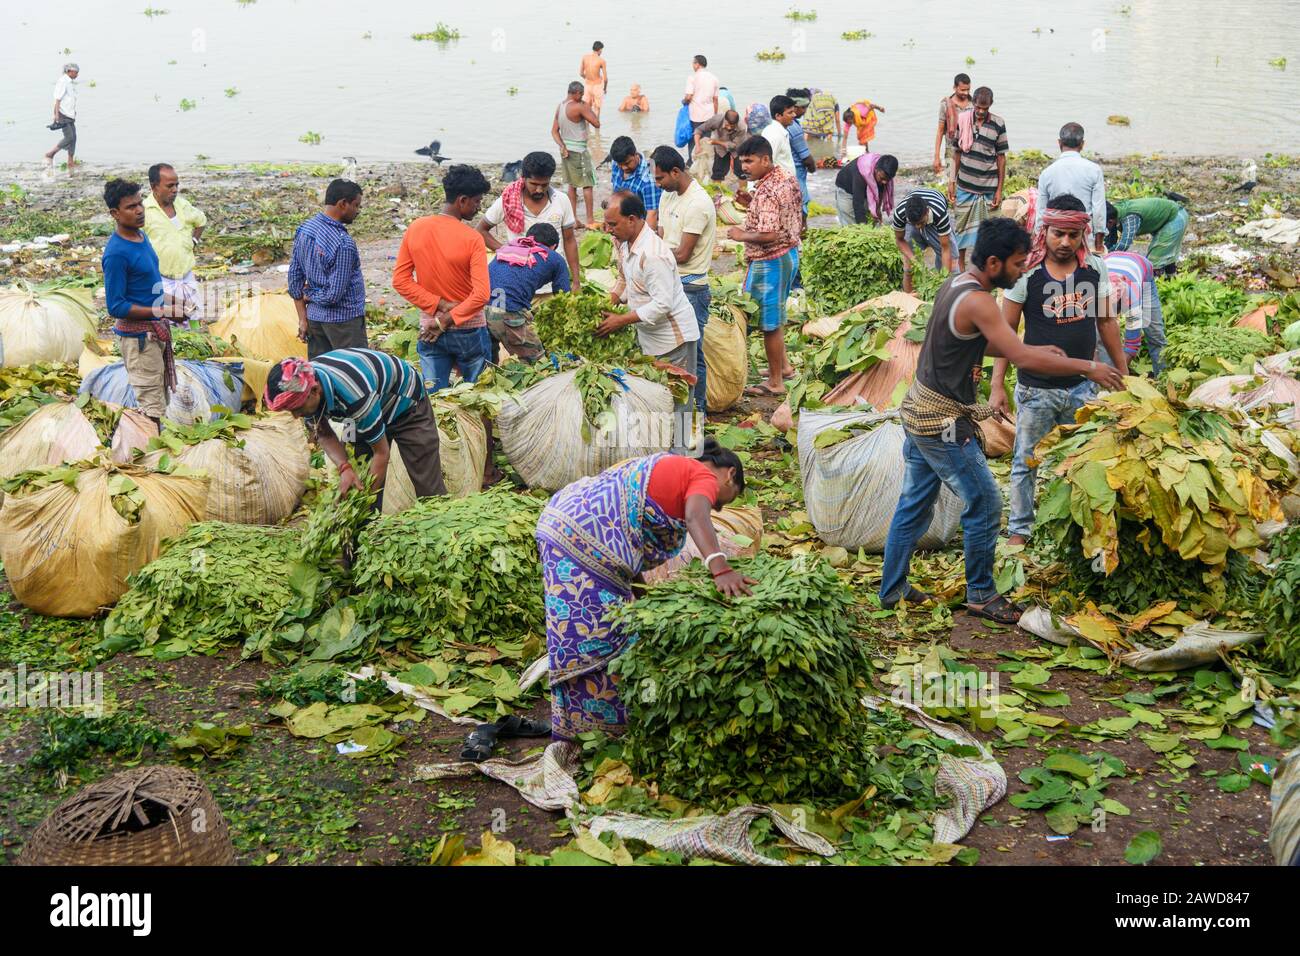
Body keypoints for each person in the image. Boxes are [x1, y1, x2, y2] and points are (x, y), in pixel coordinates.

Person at [880, 217, 1124, 624]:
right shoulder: (979, 300)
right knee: (986, 502)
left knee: (915, 502)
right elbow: (1021, 357)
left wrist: (1030, 347)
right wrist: (1089, 367)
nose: (1021, 270)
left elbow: (981, 341)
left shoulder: (957, 284)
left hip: (919, 410)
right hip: (943, 422)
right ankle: (981, 594)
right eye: (1015, 263)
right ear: (993, 263)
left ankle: (893, 588)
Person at [537, 439, 753, 739]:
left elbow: (629, 543)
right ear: (729, 474)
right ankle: (602, 729)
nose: (719, 506)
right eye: (727, 499)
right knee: (603, 634)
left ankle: (583, 728)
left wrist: (643, 602)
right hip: (582, 535)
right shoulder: (701, 474)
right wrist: (722, 569)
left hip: (562, 525)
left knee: (587, 632)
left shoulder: (668, 470)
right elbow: (696, 516)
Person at [990, 195, 1128, 547]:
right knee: (1026, 461)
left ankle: (1074, 524)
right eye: (1057, 234)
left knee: (1083, 459)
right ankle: (1020, 529)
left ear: (1083, 233)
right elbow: (1005, 333)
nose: (1065, 243)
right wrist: (997, 386)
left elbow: (1107, 320)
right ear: (1044, 231)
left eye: (1072, 235)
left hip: (1083, 387)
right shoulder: (1028, 272)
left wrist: (1124, 376)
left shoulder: (1094, 268)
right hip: (1037, 389)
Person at [264, 349, 445, 511]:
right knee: (361, 475)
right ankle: (366, 535)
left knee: (427, 483)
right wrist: (345, 467)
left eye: (297, 409)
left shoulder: (353, 394)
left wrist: (357, 507)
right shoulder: (304, 384)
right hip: (364, 409)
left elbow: (381, 453)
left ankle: (439, 528)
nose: (296, 416)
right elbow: (323, 432)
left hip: (405, 403)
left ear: (315, 390)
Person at [597, 191, 701, 437]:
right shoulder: (623, 243)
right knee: (657, 399)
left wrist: (620, 320)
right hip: (649, 337)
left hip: (674, 339)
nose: (608, 230)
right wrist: (610, 302)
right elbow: (624, 279)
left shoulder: (653, 254)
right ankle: (662, 454)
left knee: (680, 402)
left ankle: (683, 455)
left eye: (613, 224)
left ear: (632, 219)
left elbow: (662, 304)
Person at [392, 165, 492, 393]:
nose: (478, 208)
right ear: (463, 200)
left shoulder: (416, 228)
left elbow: (401, 280)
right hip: (468, 329)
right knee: (477, 395)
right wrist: (447, 319)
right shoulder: (472, 239)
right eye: (477, 202)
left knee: (434, 397)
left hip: (429, 327)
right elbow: (481, 295)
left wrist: (438, 306)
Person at [101, 179, 183, 428]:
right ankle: (150, 458)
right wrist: (160, 310)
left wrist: (173, 301)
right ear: (115, 213)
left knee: (159, 398)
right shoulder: (116, 253)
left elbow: (147, 287)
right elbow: (116, 306)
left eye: (140, 204)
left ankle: (155, 446)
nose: (139, 211)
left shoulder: (142, 237)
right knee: (151, 407)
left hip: (154, 334)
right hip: (139, 341)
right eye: (130, 207)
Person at [727, 136, 803, 397]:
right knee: (777, 315)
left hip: (770, 260)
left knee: (768, 324)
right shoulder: (785, 177)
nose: (744, 167)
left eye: (749, 161)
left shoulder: (769, 190)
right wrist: (752, 204)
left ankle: (774, 382)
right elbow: (784, 215)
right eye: (742, 162)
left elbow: (768, 235)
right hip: (789, 255)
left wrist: (740, 234)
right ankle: (784, 368)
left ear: (765, 160)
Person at [652, 146, 716, 413]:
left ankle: (696, 411)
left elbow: (683, 253)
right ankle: (677, 407)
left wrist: (651, 257)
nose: (657, 184)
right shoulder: (668, 196)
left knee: (693, 353)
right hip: (670, 283)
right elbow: (662, 236)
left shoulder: (698, 203)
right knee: (670, 350)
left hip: (692, 288)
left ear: (675, 172)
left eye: (660, 178)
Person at [288, 179, 367, 359]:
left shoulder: (305, 230)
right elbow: (333, 295)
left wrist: (302, 318)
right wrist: (310, 294)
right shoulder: (343, 243)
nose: (358, 211)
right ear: (343, 204)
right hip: (344, 323)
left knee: (322, 377)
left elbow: (294, 278)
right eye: (356, 205)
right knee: (355, 375)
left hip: (315, 320)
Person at [478, 152, 580, 286]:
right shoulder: (508, 200)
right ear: (523, 178)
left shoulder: (561, 200)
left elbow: (569, 240)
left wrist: (576, 281)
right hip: (520, 280)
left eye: (544, 185)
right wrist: (505, 251)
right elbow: (481, 230)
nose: (539, 190)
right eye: (534, 184)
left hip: (553, 280)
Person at [485, 223, 571, 364]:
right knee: (536, 364)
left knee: (489, 365)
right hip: (509, 311)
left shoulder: (509, 248)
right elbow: (564, 300)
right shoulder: (555, 257)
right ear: (554, 246)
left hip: (481, 309)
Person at [950, 86, 1007, 271]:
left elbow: (1001, 157)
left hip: (988, 187)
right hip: (965, 185)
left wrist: (999, 189)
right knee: (961, 230)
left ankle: (984, 270)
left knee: (990, 232)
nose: (981, 112)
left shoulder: (998, 123)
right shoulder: (963, 119)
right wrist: (952, 180)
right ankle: (960, 270)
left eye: (985, 108)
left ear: (990, 105)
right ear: (973, 103)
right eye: (978, 107)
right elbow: (956, 153)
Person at [142, 163, 207, 324]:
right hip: (162, 281)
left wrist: (193, 241)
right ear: (154, 187)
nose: (175, 189)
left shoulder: (182, 205)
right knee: (170, 325)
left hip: (186, 277)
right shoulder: (145, 211)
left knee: (195, 320)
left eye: (177, 185)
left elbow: (201, 221)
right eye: (170, 186)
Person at [1036, 123, 1107, 252]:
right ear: (1082, 144)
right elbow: (1099, 210)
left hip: (1056, 237)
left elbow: (1041, 213)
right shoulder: (1094, 170)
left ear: (1059, 143)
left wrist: (1039, 243)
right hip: (1082, 237)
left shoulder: (1047, 173)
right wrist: (1098, 244)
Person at [1105, 249, 1166, 376]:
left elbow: (1132, 345)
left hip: (1142, 269)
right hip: (1111, 260)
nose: (1115, 315)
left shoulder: (1133, 298)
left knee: (1154, 333)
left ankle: (1162, 377)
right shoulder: (1094, 292)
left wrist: (1117, 375)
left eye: (1116, 309)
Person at [552, 82, 601, 230]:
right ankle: (590, 220)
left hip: (566, 151)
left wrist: (562, 146)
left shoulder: (560, 106)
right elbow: (596, 123)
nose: (583, 97)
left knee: (572, 185)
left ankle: (573, 220)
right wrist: (588, 107)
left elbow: (554, 131)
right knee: (587, 184)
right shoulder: (580, 106)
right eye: (582, 94)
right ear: (577, 93)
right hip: (579, 151)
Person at [892, 188, 957, 293]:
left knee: (951, 262)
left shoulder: (939, 212)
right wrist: (913, 260)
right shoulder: (900, 213)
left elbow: (945, 248)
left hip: (934, 219)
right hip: (916, 218)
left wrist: (944, 277)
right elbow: (899, 240)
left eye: (921, 223)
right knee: (909, 267)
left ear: (927, 212)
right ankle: (908, 299)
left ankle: (947, 292)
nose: (918, 227)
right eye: (915, 224)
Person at [1105, 197, 1189, 276]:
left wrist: (1105, 257)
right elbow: (1110, 239)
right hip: (1168, 217)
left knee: (1155, 261)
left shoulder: (1130, 218)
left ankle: (1157, 287)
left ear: (1110, 222)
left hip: (1176, 217)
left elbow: (1124, 244)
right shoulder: (1113, 213)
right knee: (1165, 255)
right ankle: (1171, 282)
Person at [609, 136, 661, 232]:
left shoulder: (648, 178)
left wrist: (646, 240)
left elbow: (652, 214)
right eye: (620, 164)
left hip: (639, 224)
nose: (624, 168)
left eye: (627, 163)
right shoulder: (616, 163)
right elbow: (614, 191)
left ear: (635, 154)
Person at [833, 152, 898, 226]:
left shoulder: (885, 171)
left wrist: (877, 210)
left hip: (865, 191)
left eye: (888, 179)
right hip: (846, 189)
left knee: (870, 218)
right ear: (876, 170)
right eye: (882, 178)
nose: (885, 182)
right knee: (850, 224)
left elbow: (880, 190)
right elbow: (857, 204)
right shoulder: (860, 174)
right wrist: (863, 229)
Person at [682, 55, 720, 161]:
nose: (693, 65)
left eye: (693, 63)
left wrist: (684, 101)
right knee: (706, 140)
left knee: (693, 140)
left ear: (697, 64)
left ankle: (692, 162)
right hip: (709, 115)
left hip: (695, 115)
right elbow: (715, 100)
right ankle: (706, 163)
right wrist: (715, 116)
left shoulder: (692, 78)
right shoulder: (714, 78)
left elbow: (688, 96)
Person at [933, 73, 972, 177]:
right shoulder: (945, 105)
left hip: (970, 150)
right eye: (962, 90)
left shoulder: (973, 104)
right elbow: (940, 131)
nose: (966, 93)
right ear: (954, 88)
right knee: (952, 179)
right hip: (951, 149)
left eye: (968, 89)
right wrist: (936, 157)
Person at [785, 89, 817, 215]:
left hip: (786, 170)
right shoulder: (793, 127)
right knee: (801, 208)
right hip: (796, 173)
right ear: (796, 107)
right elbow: (806, 158)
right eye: (804, 108)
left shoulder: (778, 124)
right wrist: (813, 168)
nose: (805, 111)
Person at [45, 62, 79, 176]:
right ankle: (51, 153)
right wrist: (56, 115)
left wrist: (73, 112)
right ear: (69, 71)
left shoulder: (70, 82)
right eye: (76, 72)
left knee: (74, 138)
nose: (77, 74)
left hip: (70, 115)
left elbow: (69, 99)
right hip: (63, 114)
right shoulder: (63, 81)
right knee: (69, 137)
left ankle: (70, 161)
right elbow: (57, 99)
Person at [692, 110, 747, 182]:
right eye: (727, 125)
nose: (729, 128)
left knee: (741, 172)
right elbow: (699, 130)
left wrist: (715, 142)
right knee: (718, 172)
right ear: (725, 119)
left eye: (732, 126)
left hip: (737, 147)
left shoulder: (742, 126)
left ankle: (743, 191)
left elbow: (734, 146)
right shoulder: (717, 120)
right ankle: (717, 192)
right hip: (720, 148)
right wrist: (698, 146)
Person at [761, 95, 799, 179]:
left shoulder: (781, 131)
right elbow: (765, 164)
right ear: (778, 116)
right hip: (778, 186)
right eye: (790, 112)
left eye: (794, 111)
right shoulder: (774, 134)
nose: (794, 115)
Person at [579, 41, 608, 116]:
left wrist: (587, 78)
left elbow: (581, 73)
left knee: (587, 107)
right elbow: (605, 79)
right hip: (597, 86)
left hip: (587, 86)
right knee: (597, 108)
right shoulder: (601, 60)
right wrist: (604, 88)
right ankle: (597, 126)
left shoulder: (584, 57)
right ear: (600, 50)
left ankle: (586, 125)